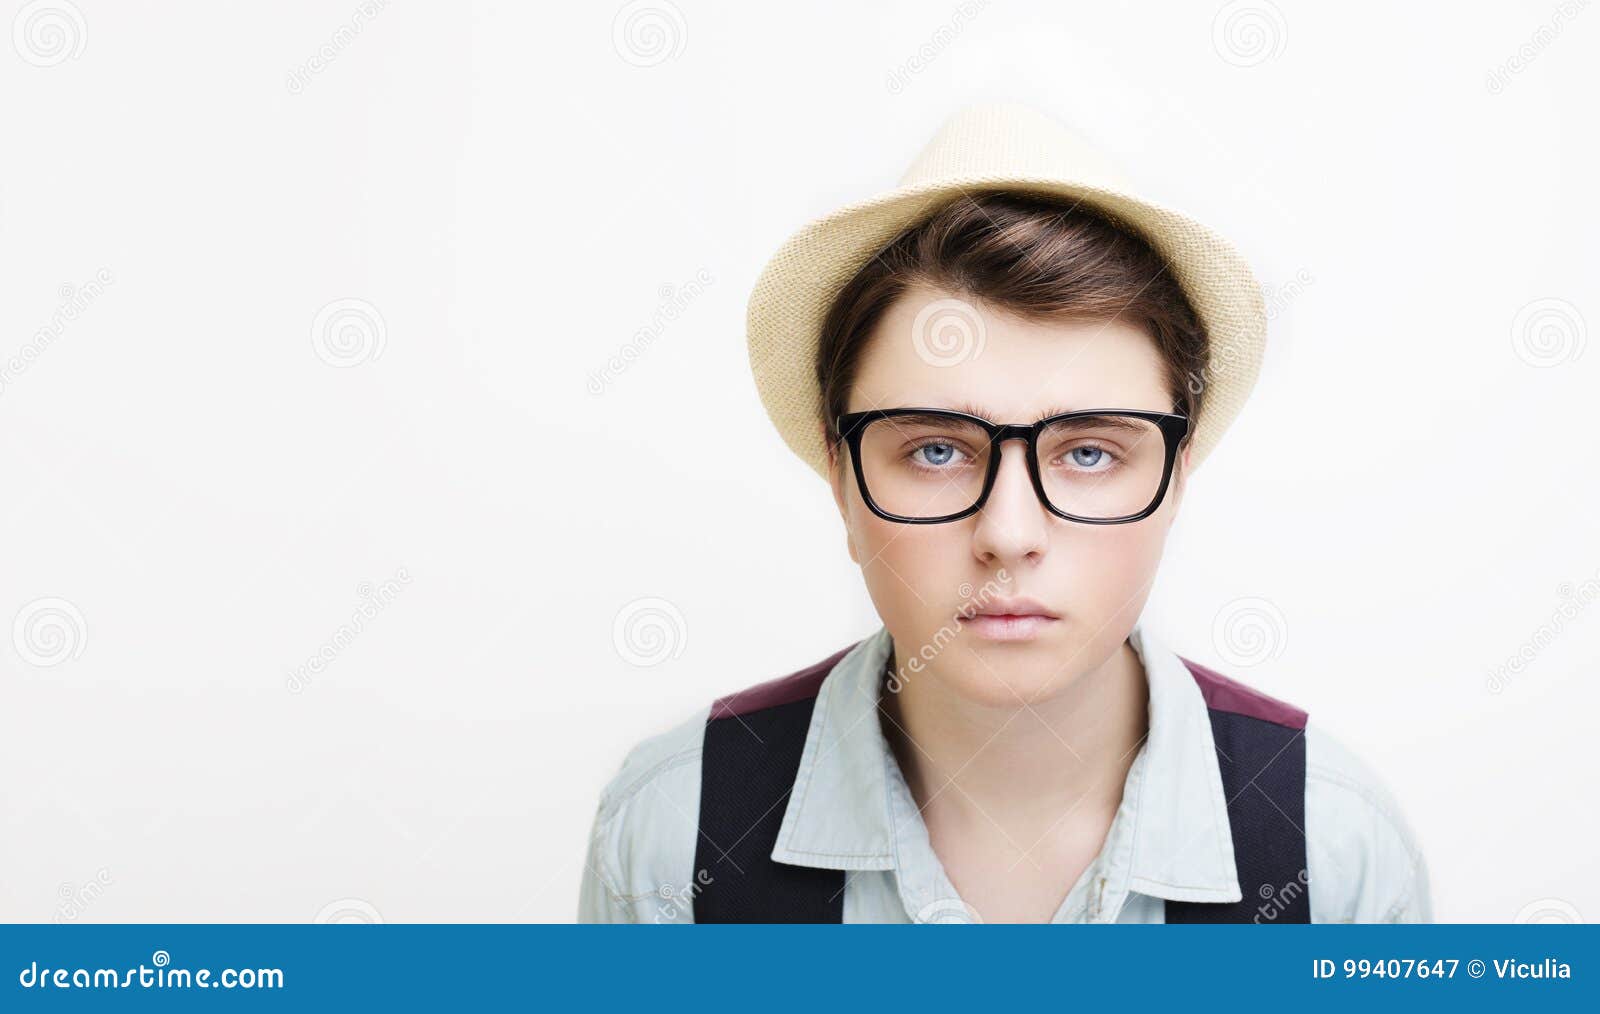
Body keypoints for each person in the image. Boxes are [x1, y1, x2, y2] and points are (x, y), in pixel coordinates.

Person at [578, 103, 1431, 924]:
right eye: (937, 452)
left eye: (1090, 452)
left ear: (1178, 477)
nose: (1009, 536)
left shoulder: (1334, 849)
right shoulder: (671, 830)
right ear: (841, 480)